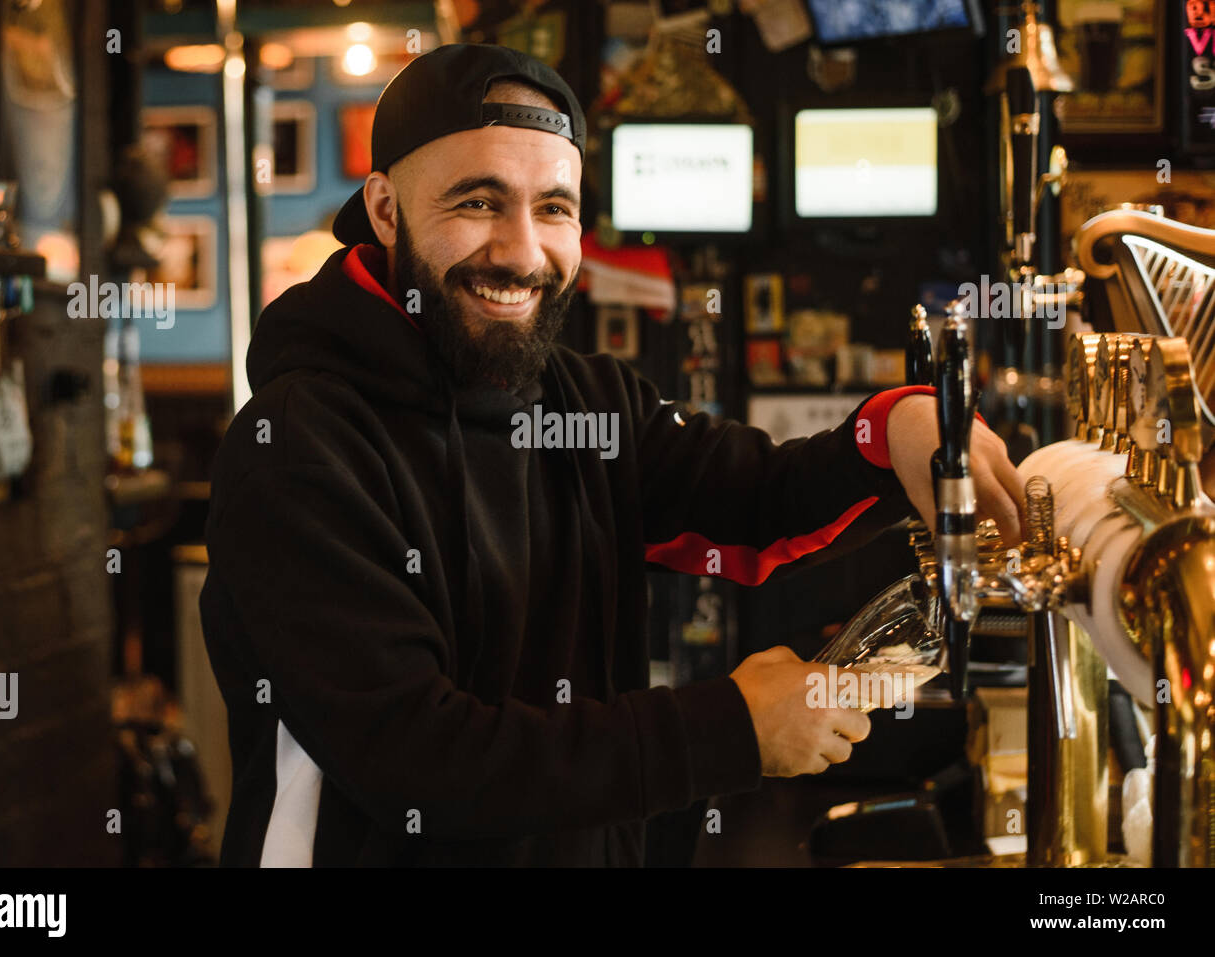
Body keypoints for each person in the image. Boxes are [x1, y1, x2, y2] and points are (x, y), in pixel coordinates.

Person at [200, 43, 1025, 866]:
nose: (522, 253)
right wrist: (730, 729)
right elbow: (419, 761)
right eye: (479, 201)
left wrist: (896, 431)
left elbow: (760, 503)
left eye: (554, 208)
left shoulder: (585, 402)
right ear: (384, 209)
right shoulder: (297, 445)